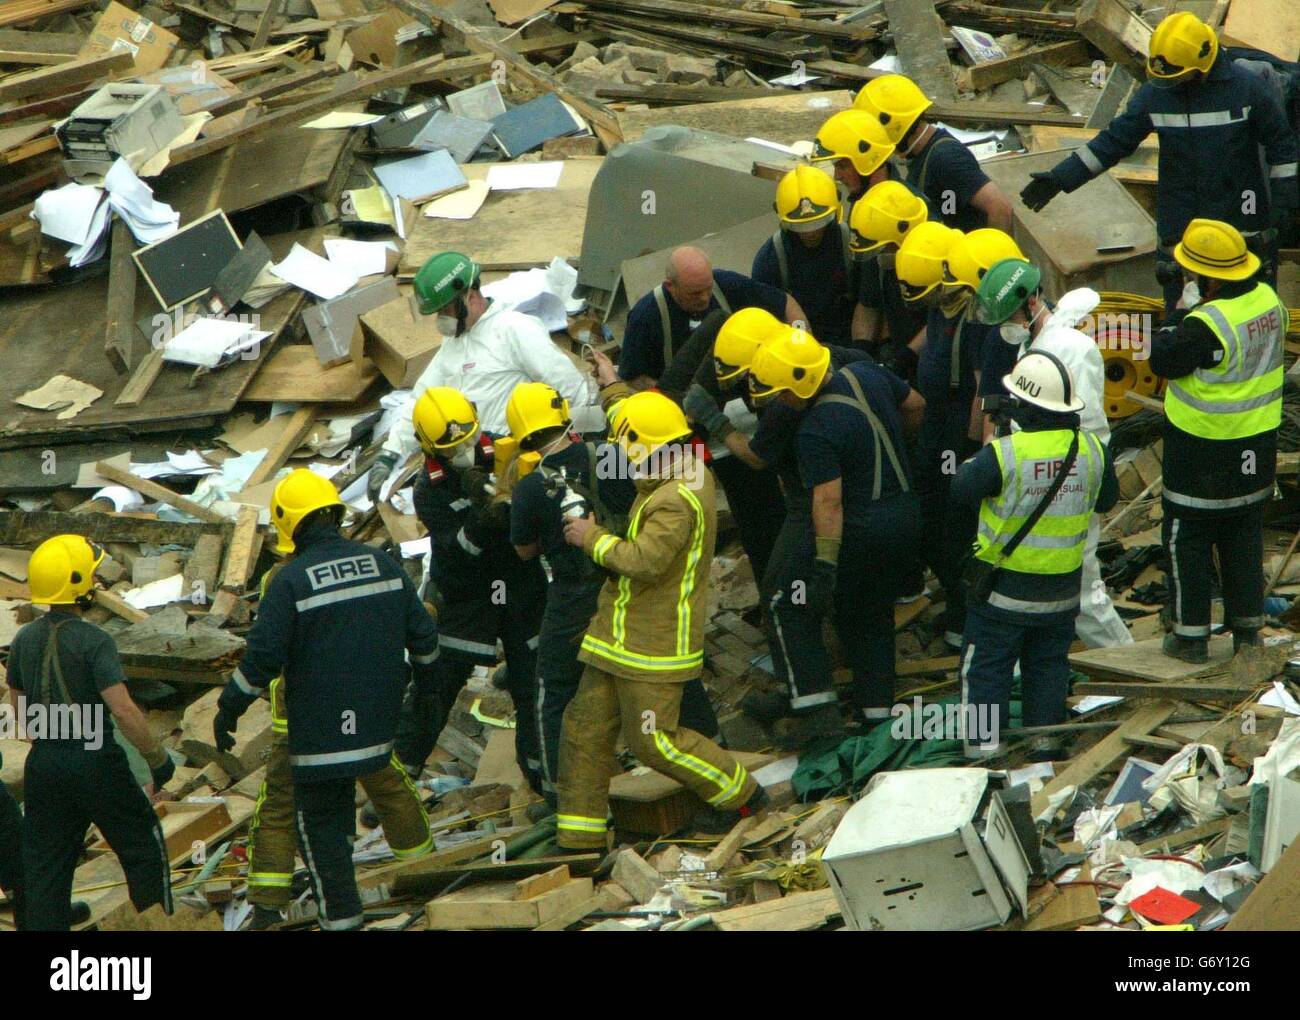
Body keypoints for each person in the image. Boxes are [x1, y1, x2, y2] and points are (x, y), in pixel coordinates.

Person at [214, 470, 440, 931]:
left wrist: (229, 705)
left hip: (313, 730)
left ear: (290, 525)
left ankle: (318, 915)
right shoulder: (382, 563)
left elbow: (262, 658)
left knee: (312, 822)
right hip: (376, 722)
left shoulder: (290, 579)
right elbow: (424, 637)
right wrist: (427, 690)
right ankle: (427, 877)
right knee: (389, 785)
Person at [554, 387, 766, 850]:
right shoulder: (669, 476)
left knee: (654, 741)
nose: (622, 460)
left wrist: (593, 539)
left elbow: (648, 561)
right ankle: (579, 840)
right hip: (618, 636)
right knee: (585, 728)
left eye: (627, 450)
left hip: (654, 644)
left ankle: (742, 796)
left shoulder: (676, 497)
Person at [1020, 11, 1298, 314]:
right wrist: (1061, 177)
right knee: (1179, 318)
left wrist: (1282, 208)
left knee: (1246, 312)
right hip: (1180, 225)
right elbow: (1115, 141)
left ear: (1202, 65)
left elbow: (1283, 149)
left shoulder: (1246, 89)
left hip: (1239, 218)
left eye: (1178, 77)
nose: (1173, 85)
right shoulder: (1159, 93)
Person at [747, 327, 925, 744]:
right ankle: (876, 714)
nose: (778, 403)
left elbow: (828, 503)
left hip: (862, 530)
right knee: (873, 612)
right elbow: (916, 405)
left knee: (788, 602)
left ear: (799, 386)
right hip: (905, 515)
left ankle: (815, 712)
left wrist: (824, 567)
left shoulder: (814, 430)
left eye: (780, 394)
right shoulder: (868, 373)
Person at [952, 352, 1117, 760]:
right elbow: (1107, 499)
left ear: (1023, 405)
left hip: (1002, 594)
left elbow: (961, 491)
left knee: (987, 668)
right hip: (1061, 593)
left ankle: (983, 753)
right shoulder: (1094, 450)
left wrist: (995, 440)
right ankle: (1044, 748)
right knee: (1047, 667)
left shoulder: (1006, 453)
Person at [10, 534, 174, 931]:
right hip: (96, 762)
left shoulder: (23, 638)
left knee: (47, 867)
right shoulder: (95, 641)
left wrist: (52, 745)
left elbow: (17, 709)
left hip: (45, 765)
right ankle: (156, 925)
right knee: (141, 845)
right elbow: (124, 710)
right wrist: (157, 759)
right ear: (79, 583)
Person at [387, 387, 546, 790]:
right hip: (465, 593)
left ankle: (542, 776)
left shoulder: (505, 454)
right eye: (454, 446)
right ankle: (401, 782)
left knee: (535, 687)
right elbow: (459, 552)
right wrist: (483, 519)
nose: (466, 449)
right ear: (430, 448)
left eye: (469, 438)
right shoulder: (429, 490)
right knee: (435, 685)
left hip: (518, 586)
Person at [973, 258, 1134, 649]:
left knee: (1082, 590)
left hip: (1065, 483)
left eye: (1008, 315)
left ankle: (1127, 660)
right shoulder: (1035, 343)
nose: (1003, 328)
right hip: (1038, 480)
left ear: (1031, 303)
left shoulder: (1072, 348)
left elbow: (1090, 429)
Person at [1150, 219, 1287, 662]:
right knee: (1243, 533)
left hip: (1202, 452)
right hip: (1256, 448)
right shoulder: (1269, 300)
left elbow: (1164, 360)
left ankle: (1191, 638)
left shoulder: (1206, 324)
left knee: (1186, 538)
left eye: (1190, 273)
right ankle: (1248, 633)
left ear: (1208, 278)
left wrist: (1177, 312)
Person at [368, 251, 594, 500]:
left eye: (445, 310)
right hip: (476, 464)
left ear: (469, 296)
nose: (441, 320)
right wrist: (390, 454)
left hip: (519, 463)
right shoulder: (452, 346)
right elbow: (423, 401)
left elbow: (571, 389)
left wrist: (567, 454)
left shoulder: (513, 329)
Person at [896, 222, 1008, 648]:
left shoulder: (975, 318)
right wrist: (910, 353)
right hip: (934, 430)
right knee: (930, 519)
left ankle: (966, 619)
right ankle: (953, 598)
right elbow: (933, 328)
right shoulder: (941, 302)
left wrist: (973, 450)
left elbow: (984, 388)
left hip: (956, 437)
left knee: (956, 529)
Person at [655, 306, 789, 592]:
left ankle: (790, 600)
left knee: (780, 534)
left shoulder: (781, 389)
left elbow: (760, 457)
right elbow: (757, 458)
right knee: (766, 532)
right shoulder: (727, 335)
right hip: (703, 440)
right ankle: (782, 601)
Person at [619, 246, 799, 389]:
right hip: (684, 396)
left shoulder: (728, 284)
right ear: (670, 286)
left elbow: (786, 303)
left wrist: (801, 341)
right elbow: (632, 377)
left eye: (708, 288)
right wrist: (667, 395)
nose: (705, 298)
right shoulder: (645, 316)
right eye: (695, 293)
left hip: (741, 383)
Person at [854, 73, 1013, 232]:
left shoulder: (946, 158)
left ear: (893, 125)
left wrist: (992, 255)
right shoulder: (924, 155)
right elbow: (949, 207)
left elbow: (1000, 209)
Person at [752, 165, 856, 345]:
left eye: (818, 223)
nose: (810, 233)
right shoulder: (771, 259)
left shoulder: (852, 246)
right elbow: (763, 322)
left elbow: (871, 304)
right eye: (799, 226)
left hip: (848, 341)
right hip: (795, 347)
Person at [848, 179, 930, 374]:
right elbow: (868, 305)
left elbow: (942, 319)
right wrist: (861, 353)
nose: (880, 254)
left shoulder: (936, 256)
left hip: (931, 359)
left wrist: (908, 356)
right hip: (900, 350)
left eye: (885, 248)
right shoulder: (878, 244)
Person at [809, 108, 898, 206]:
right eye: (835, 166)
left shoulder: (894, 212)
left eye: (843, 167)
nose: (837, 176)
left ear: (868, 163)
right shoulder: (864, 197)